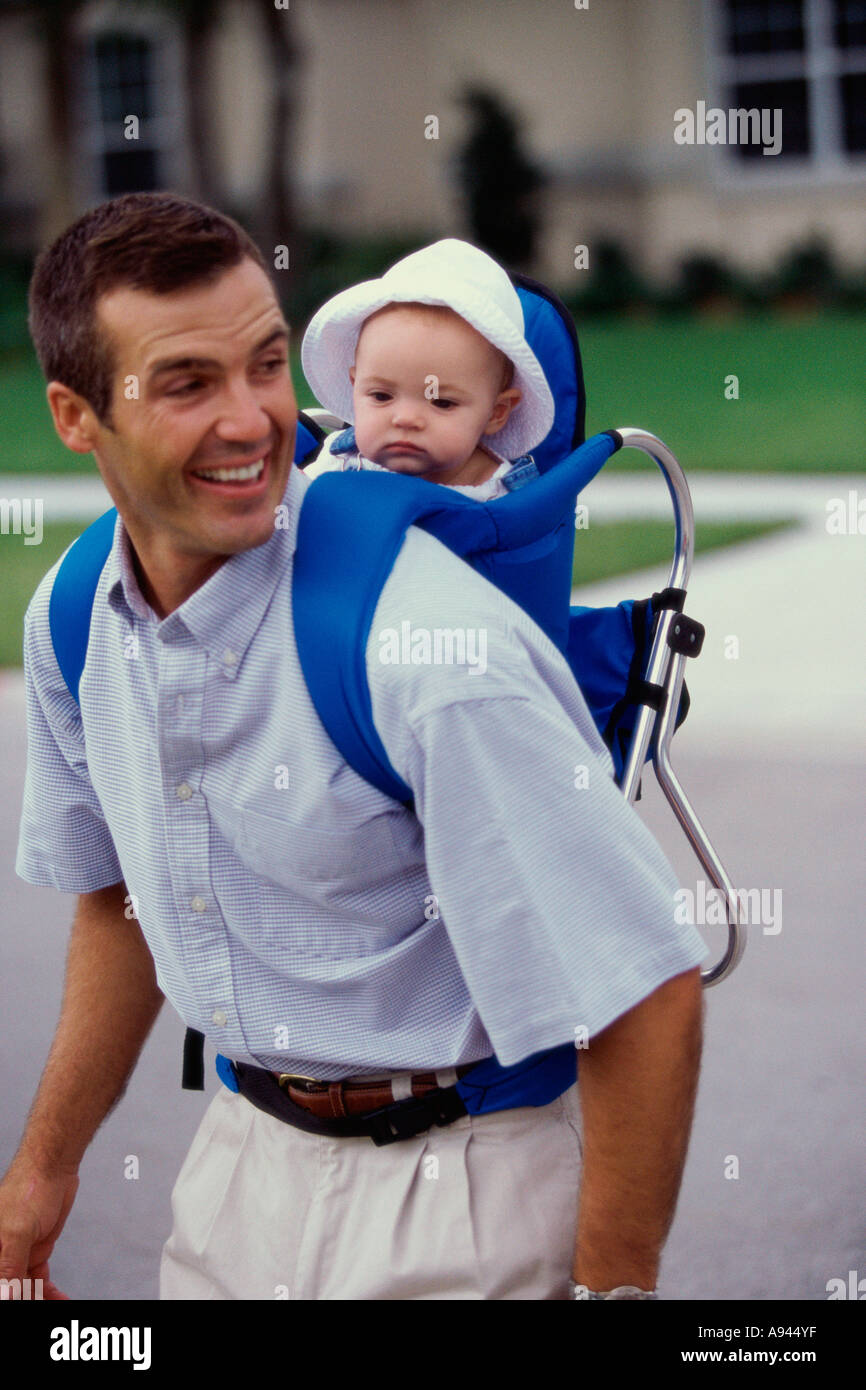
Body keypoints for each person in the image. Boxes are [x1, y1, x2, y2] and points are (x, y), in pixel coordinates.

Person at [0, 192, 705, 1302]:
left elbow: (644, 987)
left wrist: (609, 1287)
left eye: (266, 364)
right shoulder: (74, 616)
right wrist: (41, 1168)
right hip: (235, 1168)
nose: (251, 421)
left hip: (466, 1197)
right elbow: (121, 901)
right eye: (188, 383)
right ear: (75, 415)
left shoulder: (430, 654)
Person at [300, 237, 550, 501]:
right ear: (355, 388)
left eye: (442, 402)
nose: (406, 419)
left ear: (496, 413)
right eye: (381, 396)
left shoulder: (503, 499)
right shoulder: (340, 463)